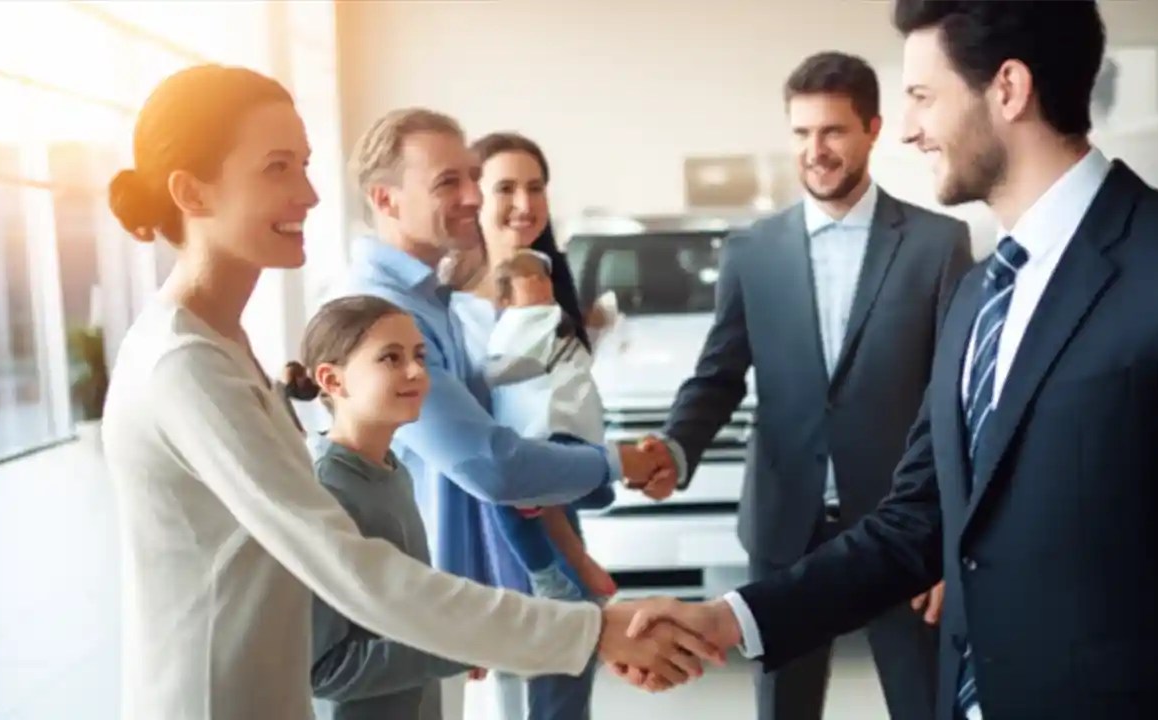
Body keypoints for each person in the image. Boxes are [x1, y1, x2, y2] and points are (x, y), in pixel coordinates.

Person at [625, 2, 1158, 719]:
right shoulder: (981, 290)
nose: (910, 130)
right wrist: (728, 620)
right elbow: (918, 517)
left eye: (921, 96)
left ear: (1008, 89)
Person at [100, 64, 716, 720]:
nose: (308, 195)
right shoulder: (185, 365)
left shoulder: (223, 344)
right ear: (192, 193)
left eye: (305, 165)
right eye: (277, 168)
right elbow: (348, 564)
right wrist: (589, 630)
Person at [644, 51, 972, 720]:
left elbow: (956, 398)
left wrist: (950, 540)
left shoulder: (939, 245)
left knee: (923, 702)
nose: (815, 150)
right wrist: (674, 451)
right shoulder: (751, 251)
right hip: (783, 525)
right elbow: (719, 374)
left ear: (873, 130)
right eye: (801, 133)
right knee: (784, 710)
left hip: (898, 532)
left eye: (833, 132)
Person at [334, 112, 678, 719]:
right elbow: (490, 463)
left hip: (481, 570)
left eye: (473, 177)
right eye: (449, 182)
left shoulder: (428, 299)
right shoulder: (381, 310)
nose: (472, 196)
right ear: (385, 198)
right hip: (433, 583)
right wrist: (619, 463)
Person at [283, 295, 478, 720]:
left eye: (419, 356)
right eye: (390, 358)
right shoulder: (324, 491)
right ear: (333, 382)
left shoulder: (394, 469)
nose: (415, 372)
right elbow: (325, 670)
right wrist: (455, 645)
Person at [484, 249, 619, 602]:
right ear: (505, 294)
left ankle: (553, 573)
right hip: (549, 427)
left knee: (520, 501)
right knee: (521, 500)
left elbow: (517, 365)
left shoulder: (546, 320)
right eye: (528, 279)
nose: (540, 284)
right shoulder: (522, 324)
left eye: (543, 277)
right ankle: (550, 572)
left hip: (562, 424)